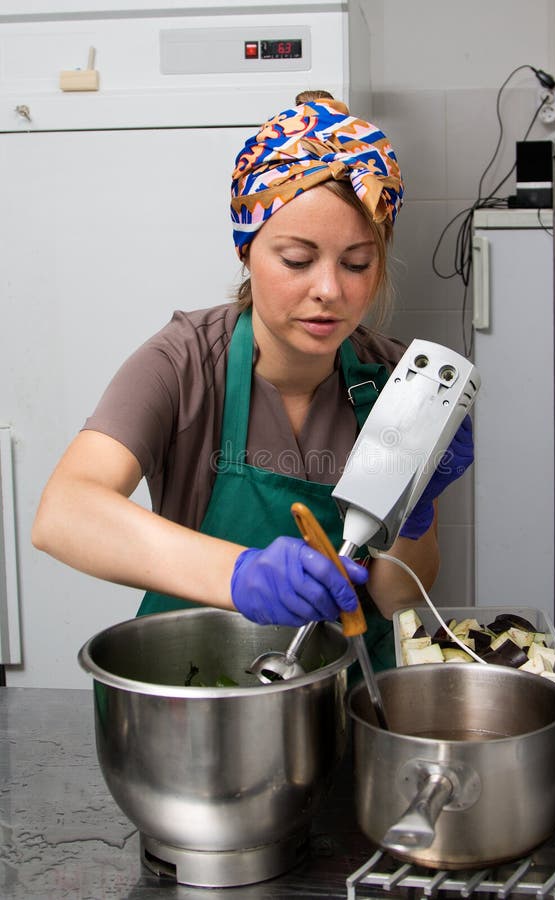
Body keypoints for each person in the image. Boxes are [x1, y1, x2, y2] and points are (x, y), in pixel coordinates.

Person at [32, 90, 473, 670]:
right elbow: (64, 514)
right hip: (196, 691)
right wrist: (238, 574)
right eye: (296, 260)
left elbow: (395, 597)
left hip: (345, 703)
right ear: (246, 250)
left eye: (357, 263)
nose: (329, 291)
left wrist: (415, 511)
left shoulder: (396, 383)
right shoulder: (184, 363)